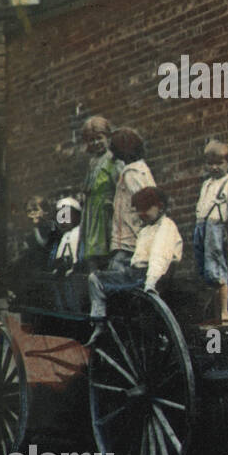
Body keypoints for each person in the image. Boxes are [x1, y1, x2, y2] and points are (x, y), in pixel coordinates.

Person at [87, 186, 182, 341]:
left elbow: (159, 257)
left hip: (150, 276)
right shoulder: (146, 229)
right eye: (138, 209)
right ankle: (99, 322)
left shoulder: (166, 227)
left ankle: (103, 325)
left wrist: (151, 283)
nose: (140, 213)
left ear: (160, 206)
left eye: (145, 209)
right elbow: (138, 257)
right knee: (96, 277)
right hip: (136, 273)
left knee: (98, 279)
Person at [194, 140, 228, 322]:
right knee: (204, 271)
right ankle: (211, 311)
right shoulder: (206, 184)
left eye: (219, 163)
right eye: (210, 163)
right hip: (202, 227)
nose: (214, 167)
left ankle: (223, 310)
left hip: (216, 229)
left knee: (217, 270)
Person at [108, 127, 156, 272]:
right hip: (136, 238)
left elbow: (146, 202)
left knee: (117, 273)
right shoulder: (142, 170)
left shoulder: (131, 174)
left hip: (129, 240)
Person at [79, 116, 117, 270]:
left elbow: (118, 186)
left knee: (104, 249)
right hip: (91, 212)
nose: (95, 143)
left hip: (105, 212)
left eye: (99, 138)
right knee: (90, 252)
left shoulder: (113, 160)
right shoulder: (92, 162)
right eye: (91, 140)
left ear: (107, 137)